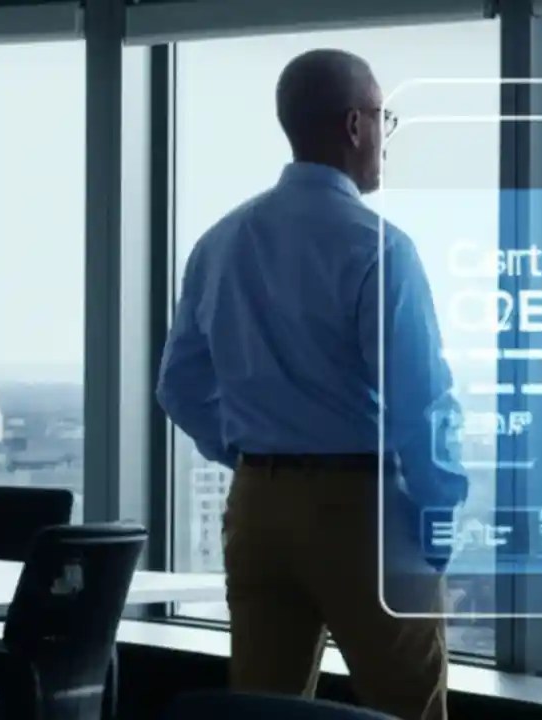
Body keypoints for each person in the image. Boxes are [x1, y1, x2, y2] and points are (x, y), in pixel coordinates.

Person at [156, 48, 468, 720]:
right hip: (360, 511)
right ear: (355, 125)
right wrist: (438, 513)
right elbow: (422, 408)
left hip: (256, 511)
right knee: (410, 709)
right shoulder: (378, 246)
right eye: (384, 119)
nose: (386, 138)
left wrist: (248, 456)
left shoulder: (222, 240)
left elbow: (178, 385)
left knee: (266, 710)